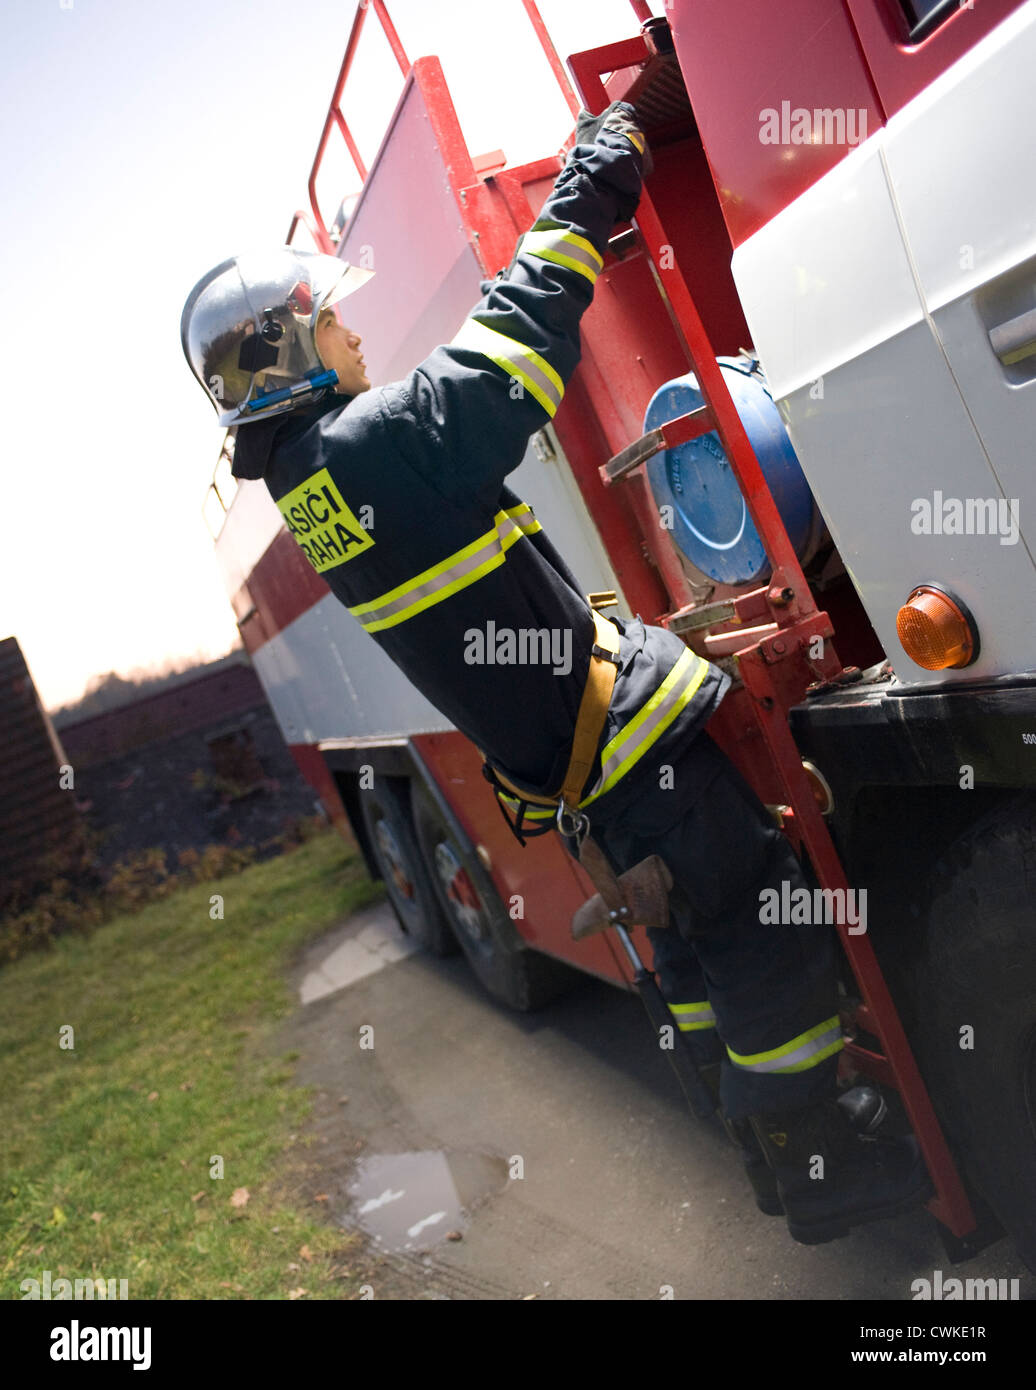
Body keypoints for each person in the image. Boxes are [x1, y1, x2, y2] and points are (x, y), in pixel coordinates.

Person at [181, 102, 930, 1244]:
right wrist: (596, 168)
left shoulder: (305, 483)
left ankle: (765, 1147)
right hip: (632, 761)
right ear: (280, 350)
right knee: (759, 931)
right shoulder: (368, 443)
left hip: (595, 774)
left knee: (687, 961)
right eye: (329, 320)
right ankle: (823, 1160)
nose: (354, 334)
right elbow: (518, 344)